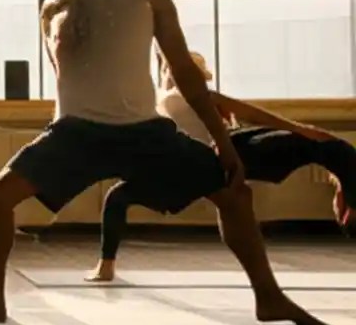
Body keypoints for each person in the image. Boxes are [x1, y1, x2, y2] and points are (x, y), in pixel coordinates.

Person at [0, 0, 332, 325]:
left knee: (233, 194)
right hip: (76, 134)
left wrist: (222, 142)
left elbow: (186, 74)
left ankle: (269, 298)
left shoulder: (152, 3)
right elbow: (67, 77)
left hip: (146, 133)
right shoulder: (57, 8)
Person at [87, 50, 356, 281]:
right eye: (169, 69)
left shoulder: (198, 93)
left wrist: (301, 129)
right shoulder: (157, 101)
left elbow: (251, 113)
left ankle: (349, 200)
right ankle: (105, 265)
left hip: (222, 158)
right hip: (184, 169)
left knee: (324, 144)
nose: (171, 74)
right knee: (116, 196)